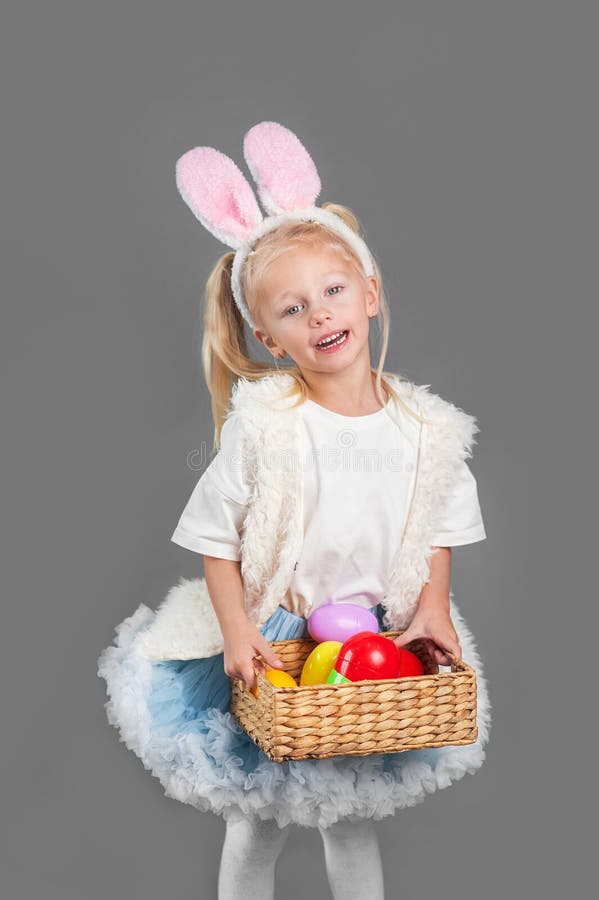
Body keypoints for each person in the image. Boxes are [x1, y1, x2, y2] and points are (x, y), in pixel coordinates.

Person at [97, 121, 491, 900]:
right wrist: (240, 634)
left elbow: (439, 527)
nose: (319, 315)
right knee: (259, 820)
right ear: (271, 340)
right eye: (292, 309)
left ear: (369, 294)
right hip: (278, 639)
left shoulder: (425, 430)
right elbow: (217, 542)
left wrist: (434, 605)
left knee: (348, 820)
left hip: (373, 637)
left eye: (334, 292)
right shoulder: (268, 427)